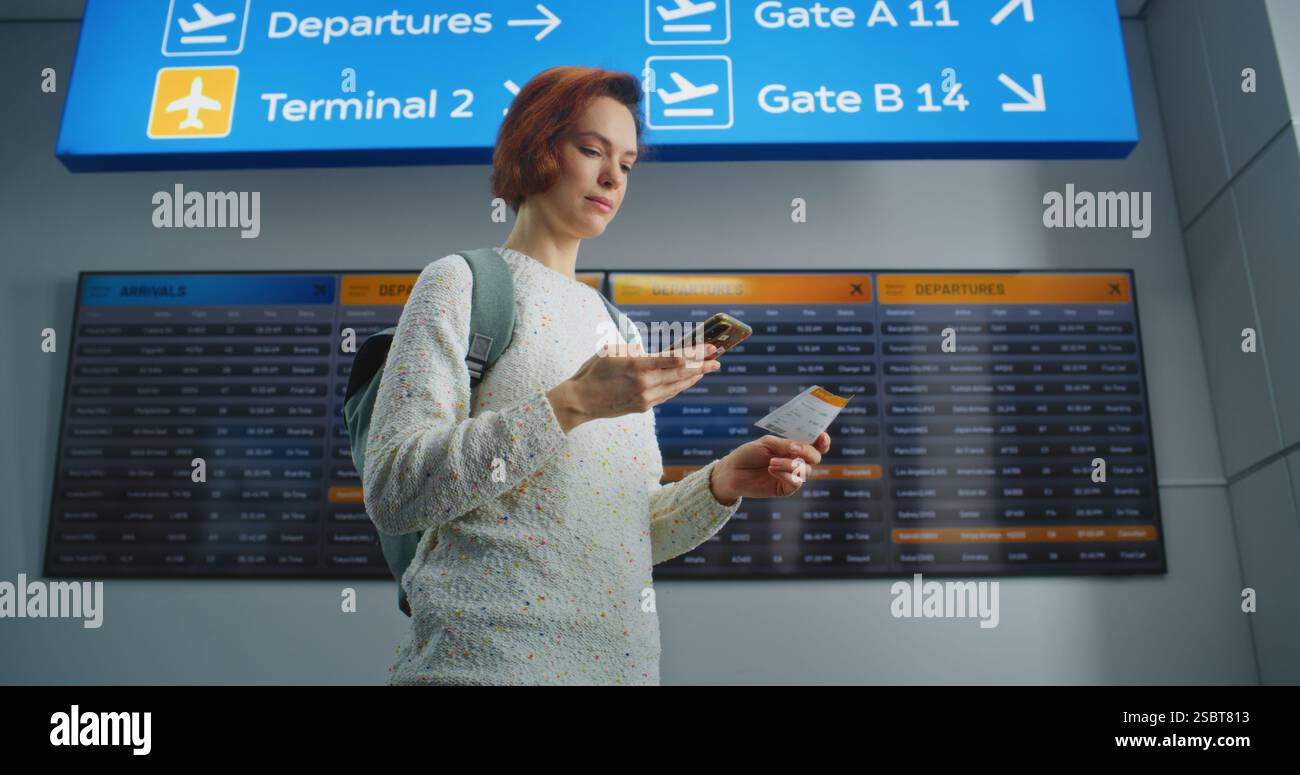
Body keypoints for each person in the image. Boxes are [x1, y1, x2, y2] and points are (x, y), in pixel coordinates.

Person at [363, 65, 832, 685]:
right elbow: (396, 489)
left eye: (629, 164)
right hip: (480, 667)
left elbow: (625, 532)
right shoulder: (462, 282)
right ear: (536, 146)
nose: (613, 177)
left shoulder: (621, 329)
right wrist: (572, 403)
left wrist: (721, 482)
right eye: (592, 150)